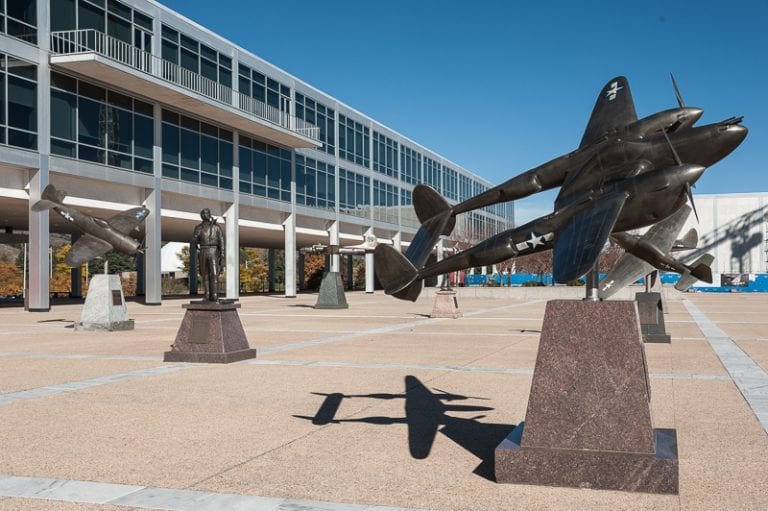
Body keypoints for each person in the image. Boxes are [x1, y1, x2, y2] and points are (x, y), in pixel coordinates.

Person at [192, 208, 224, 302]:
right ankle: (207, 294)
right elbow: (194, 240)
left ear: (210, 214)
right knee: (204, 273)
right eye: (202, 213)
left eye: (206, 213)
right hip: (203, 250)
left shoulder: (216, 227)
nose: (204, 215)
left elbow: (221, 240)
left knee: (214, 273)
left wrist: (222, 252)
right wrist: (196, 240)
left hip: (213, 250)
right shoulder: (198, 227)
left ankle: (214, 294)